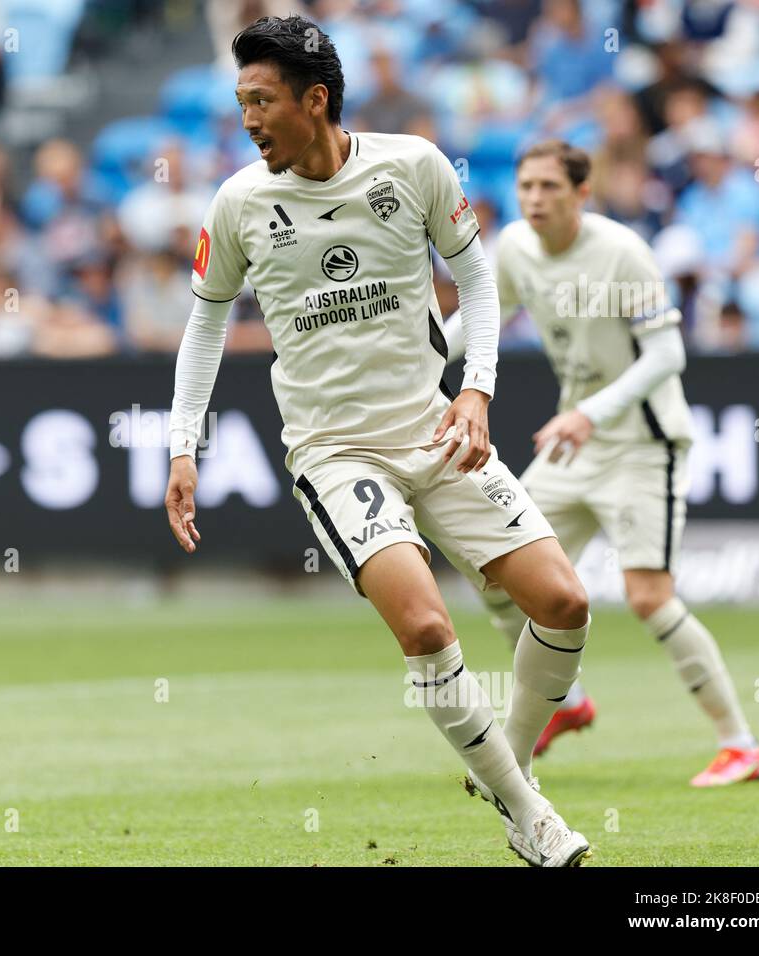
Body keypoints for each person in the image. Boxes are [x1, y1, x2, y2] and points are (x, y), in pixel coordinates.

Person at [164, 15, 592, 866]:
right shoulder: (242, 202)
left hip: (437, 429)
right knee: (429, 628)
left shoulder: (415, 165)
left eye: (261, 100)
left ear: (314, 100)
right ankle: (529, 813)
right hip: (335, 453)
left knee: (566, 604)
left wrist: (476, 391)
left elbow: (474, 273)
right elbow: (205, 323)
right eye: (240, 100)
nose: (247, 119)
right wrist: (183, 446)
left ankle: (504, 763)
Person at [444, 140, 759, 786]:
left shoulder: (622, 253)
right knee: (502, 574)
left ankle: (741, 744)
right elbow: (483, 319)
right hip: (575, 444)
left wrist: (593, 411)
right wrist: (416, 366)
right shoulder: (513, 248)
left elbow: (667, 355)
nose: (534, 199)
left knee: (649, 599)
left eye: (549, 188)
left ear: (582, 194)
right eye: (526, 186)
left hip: (641, 445)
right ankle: (569, 697)